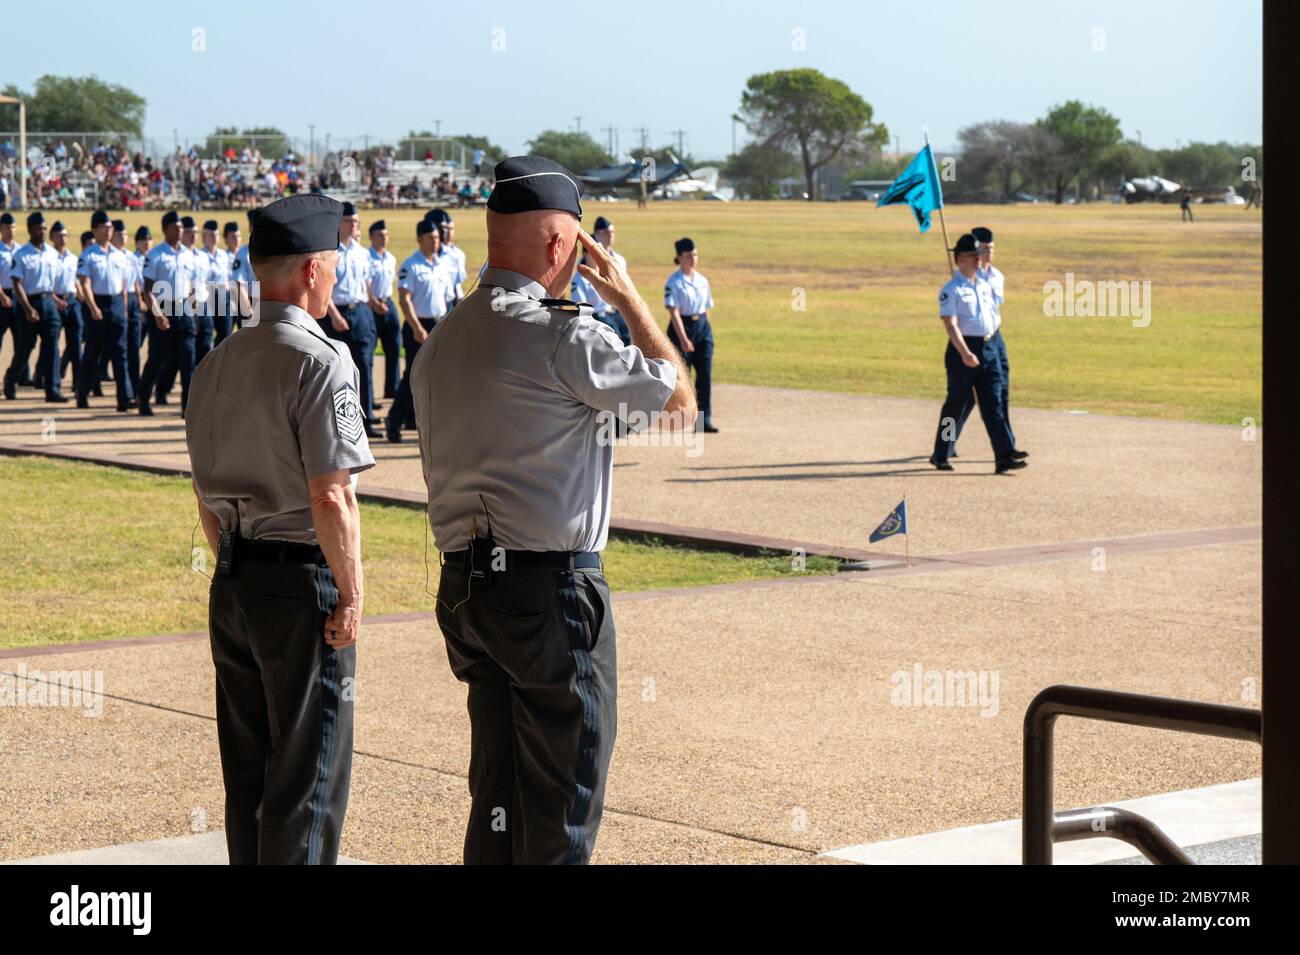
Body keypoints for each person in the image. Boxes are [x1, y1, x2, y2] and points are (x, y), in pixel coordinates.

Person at [411, 156, 696, 864]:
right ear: (561, 244)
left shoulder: (444, 340)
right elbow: (680, 408)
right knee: (563, 810)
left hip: (467, 588)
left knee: (499, 802)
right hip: (551, 592)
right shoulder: (563, 333)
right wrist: (629, 297)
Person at [185, 193, 373, 865]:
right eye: (334, 265)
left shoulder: (214, 364)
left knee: (251, 776)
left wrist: (239, 563)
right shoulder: (323, 361)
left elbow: (205, 497)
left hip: (234, 577)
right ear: (312, 271)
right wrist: (349, 593)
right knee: (308, 779)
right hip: (299, 584)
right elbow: (332, 493)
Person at [928, 234, 1025, 474]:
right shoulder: (951, 290)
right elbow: (951, 325)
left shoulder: (984, 285)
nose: (978, 259)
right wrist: (965, 353)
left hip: (989, 347)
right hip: (964, 350)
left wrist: (991, 344)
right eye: (973, 256)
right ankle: (942, 452)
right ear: (960, 260)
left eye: (978, 255)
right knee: (955, 406)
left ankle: (1004, 455)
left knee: (994, 404)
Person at [383, 218, 451, 442]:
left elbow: (447, 298)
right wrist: (417, 327)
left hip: (438, 324)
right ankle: (394, 421)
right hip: (417, 326)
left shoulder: (441, 264)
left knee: (439, 377)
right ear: (419, 239)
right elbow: (404, 299)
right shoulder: (410, 265)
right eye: (431, 238)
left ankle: (426, 422)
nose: (435, 242)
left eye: (438, 238)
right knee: (413, 377)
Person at [323, 202, 380, 437]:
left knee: (364, 364)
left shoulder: (362, 252)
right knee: (337, 370)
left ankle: (365, 421)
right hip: (338, 313)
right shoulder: (330, 252)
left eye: (356, 221)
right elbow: (324, 289)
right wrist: (334, 315)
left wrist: (373, 304)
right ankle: (336, 422)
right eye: (349, 220)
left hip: (361, 313)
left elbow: (366, 283)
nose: (354, 224)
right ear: (339, 223)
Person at [138, 210, 197, 416]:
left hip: (183, 311)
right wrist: (157, 315)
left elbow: (192, 285)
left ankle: (187, 407)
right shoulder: (155, 255)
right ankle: (143, 399)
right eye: (176, 227)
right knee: (156, 359)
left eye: (181, 227)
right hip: (163, 309)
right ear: (165, 229)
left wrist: (192, 308)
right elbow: (147, 289)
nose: (180, 231)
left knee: (187, 362)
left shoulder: (189, 254)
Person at [4, 211, 68, 403]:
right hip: (29, 303)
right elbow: (17, 284)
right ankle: (11, 378)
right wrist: (27, 309)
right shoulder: (21, 254)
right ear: (30, 229)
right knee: (26, 346)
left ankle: (53, 390)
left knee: (52, 347)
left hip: (49, 303)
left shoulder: (51, 253)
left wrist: (56, 300)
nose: (42, 231)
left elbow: (50, 284)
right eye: (38, 228)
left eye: (44, 228)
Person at [75, 210, 133, 411]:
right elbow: (85, 283)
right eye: (104, 227)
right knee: (93, 352)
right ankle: (82, 393)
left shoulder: (119, 255)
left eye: (110, 228)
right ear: (94, 230)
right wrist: (92, 307)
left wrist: (123, 309)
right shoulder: (88, 255)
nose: (108, 231)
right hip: (97, 303)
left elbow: (124, 286)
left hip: (116, 303)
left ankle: (123, 398)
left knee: (120, 353)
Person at [663, 237, 718, 432]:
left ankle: (704, 420)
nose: (693, 259)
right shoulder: (673, 282)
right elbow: (674, 311)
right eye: (688, 255)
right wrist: (684, 339)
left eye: (695, 254)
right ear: (679, 257)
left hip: (702, 327)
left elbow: (705, 309)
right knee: (682, 378)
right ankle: (677, 419)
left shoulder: (702, 280)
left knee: (704, 374)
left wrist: (706, 332)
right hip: (681, 328)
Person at [570, 215, 631, 346]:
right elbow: (579, 305)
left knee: (629, 339)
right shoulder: (580, 276)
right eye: (607, 232)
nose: (611, 236)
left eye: (612, 232)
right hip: (598, 316)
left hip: (616, 312)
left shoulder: (619, 261)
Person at [366, 220, 402, 401]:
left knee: (394, 346)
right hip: (370, 306)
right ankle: (369, 396)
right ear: (371, 237)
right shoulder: (366, 257)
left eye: (386, 234)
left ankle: (392, 388)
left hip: (388, 304)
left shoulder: (391, 258)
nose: (384, 238)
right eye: (380, 234)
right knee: (369, 351)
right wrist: (373, 302)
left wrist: (385, 302)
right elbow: (365, 283)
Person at [50, 221, 83, 391]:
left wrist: (83, 300)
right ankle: (50, 381)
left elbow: (77, 281)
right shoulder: (48, 257)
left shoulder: (73, 258)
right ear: (52, 237)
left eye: (65, 235)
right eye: (59, 235)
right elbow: (44, 284)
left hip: (72, 302)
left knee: (76, 344)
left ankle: (78, 383)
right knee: (52, 345)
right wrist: (56, 300)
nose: (63, 238)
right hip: (54, 302)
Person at [197, 220, 232, 361]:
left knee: (226, 332)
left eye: (216, 234)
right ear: (203, 237)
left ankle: (217, 362)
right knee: (206, 333)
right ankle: (203, 363)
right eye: (210, 235)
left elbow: (228, 276)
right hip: (207, 296)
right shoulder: (199, 256)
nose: (213, 237)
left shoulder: (224, 255)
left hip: (223, 295)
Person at [0, 213, 16, 367]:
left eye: (13, 227)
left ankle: (23, 375)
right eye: (7, 227)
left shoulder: (21, 249)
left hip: (17, 296)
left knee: (21, 338)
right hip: (2, 295)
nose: (11, 230)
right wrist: (2, 296)